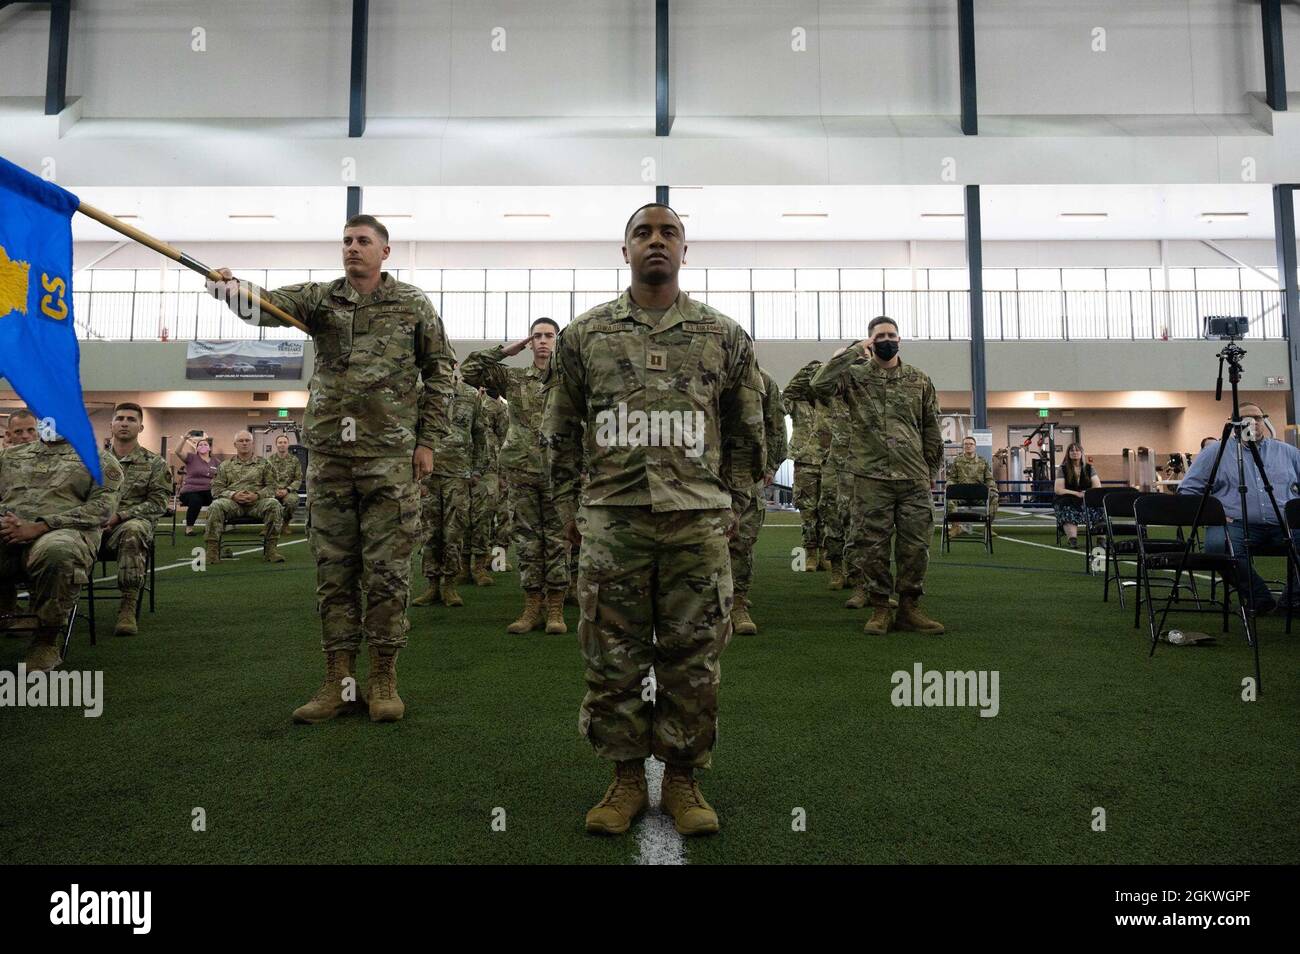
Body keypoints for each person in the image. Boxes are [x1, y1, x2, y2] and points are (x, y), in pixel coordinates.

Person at [542, 202, 765, 837]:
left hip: (697, 520)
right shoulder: (585, 336)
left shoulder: (723, 335)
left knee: (693, 656)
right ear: (626, 251)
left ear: (684, 251)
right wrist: (568, 511)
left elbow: (750, 435)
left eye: (669, 233)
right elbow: (558, 433)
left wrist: (737, 511)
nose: (656, 242)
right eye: (643, 233)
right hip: (613, 519)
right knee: (612, 655)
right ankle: (624, 778)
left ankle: (685, 777)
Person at [207, 213, 456, 724]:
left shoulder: (412, 305)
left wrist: (428, 441)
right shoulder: (321, 298)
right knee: (334, 571)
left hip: (390, 457)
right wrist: (230, 289)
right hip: (329, 457)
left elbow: (442, 373)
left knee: (387, 572)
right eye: (346, 241)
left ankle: (384, 675)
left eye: (363, 241)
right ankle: (339, 681)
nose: (352, 248)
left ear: (385, 252)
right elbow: (265, 308)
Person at [811, 316, 944, 636]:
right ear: (870, 341)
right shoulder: (854, 377)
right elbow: (818, 385)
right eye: (880, 335)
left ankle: (910, 607)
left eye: (892, 334)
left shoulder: (919, 379)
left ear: (900, 339)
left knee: (915, 546)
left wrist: (931, 470)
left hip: (912, 476)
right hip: (870, 476)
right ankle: (882, 607)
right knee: (872, 546)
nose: (887, 339)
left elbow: (931, 428)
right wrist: (853, 352)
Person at [462, 318, 569, 635]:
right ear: (529, 341)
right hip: (521, 471)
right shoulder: (515, 378)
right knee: (527, 541)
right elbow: (469, 372)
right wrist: (505, 351)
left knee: (557, 541)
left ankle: (556, 609)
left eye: (549, 336)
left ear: (557, 341)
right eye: (537, 336)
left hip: (558, 471)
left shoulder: (570, 380)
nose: (543, 341)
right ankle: (531, 606)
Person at [0, 431, 122, 671]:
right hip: (10, 528)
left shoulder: (100, 460)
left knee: (57, 552)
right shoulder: (8, 457)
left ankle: (46, 640)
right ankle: (6, 608)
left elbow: (102, 509)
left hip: (65, 532)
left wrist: (40, 525)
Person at [1179, 403, 1300, 613]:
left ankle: (1291, 600)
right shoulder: (1215, 453)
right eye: (1245, 419)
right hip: (1235, 523)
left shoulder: (1288, 452)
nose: (1252, 423)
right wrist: (1214, 515)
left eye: (1257, 418)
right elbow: (1188, 489)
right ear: (1233, 424)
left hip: (1284, 523)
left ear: (1265, 421)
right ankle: (1259, 596)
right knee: (1218, 547)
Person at [412, 365, 484, 609]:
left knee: (454, 531)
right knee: (430, 531)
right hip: (429, 474)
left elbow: (480, 434)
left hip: (459, 474)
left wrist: (477, 470)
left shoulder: (471, 395)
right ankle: (432, 584)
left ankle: (450, 585)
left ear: (456, 367)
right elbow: (414, 430)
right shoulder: (424, 393)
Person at [102, 402, 172, 636]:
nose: (124, 423)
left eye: (131, 419)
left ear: (141, 427)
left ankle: (128, 605)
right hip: (93, 525)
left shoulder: (155, 463)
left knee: (134, 530)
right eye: (120, 418)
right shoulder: (91, 461)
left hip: (127, 526)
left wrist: (120, 516)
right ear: (110, 425)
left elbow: (159, 503)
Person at [728, 364, 787, 635]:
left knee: (741, 541)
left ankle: (737, 603)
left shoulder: (763, 381)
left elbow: (776, 426)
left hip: (746, 473)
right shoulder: (706, 372)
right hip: (703, 473)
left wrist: (771, 465)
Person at [205, 431, 284, 563]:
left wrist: (257, 495)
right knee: (215, 506)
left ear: (252, 444)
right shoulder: (225, 465)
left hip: (257, 503)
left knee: (274, 504)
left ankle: (271, 551)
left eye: (247, 440)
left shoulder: (264, 464)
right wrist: (233, 495)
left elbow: (272, 487)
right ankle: (212, 552)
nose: (244, 443)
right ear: (235, 444)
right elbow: (216, 488)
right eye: (241, 441)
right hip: (232, 504)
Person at [783, 361, 830, 572]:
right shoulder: (796, 401)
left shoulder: (831, 400)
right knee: (808, 510)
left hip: (830, 461)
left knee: (829, 510)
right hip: (804, 461)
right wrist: (806, 371)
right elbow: (781, 401)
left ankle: (828, 554)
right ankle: (810, 553)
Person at [465, 387, 507, 587]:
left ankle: (480, 566)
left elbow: (504, 436)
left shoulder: (497, 404)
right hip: (462, 463)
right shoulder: (464, 395)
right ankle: (463, 567)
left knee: (484, 517)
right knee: (460, 516)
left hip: (489, 467)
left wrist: (502, 473)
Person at [946, 435, 999, 536]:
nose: (968, 446)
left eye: (971, 444)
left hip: (978, 495)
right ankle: (956, 527)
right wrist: (950, 485)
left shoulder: (982, 461)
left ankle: (988, 527)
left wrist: (992, 488)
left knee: (994, 497)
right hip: (961, 495)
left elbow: (989, 479)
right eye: (966, 444)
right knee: (948, 498)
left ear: (975, 446)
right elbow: (952, 478)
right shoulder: (957, 461)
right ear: (963, 446)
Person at [1053, 442, 1101, 548]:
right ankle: (1072, 539)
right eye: (1072, 450)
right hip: (1067, 498)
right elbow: (1058, 489)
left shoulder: (1089, 468)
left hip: (1086, 497)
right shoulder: (1062, 469)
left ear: (1081, 453)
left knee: (1100, 507)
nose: (1074, 452)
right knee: (1067, 508)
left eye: (1077, 450)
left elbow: (1097, 487)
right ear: (1068, 454)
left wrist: (1086, 494)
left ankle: (1101, 540)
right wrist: (1077, 493)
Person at [174, 433, 219, 535]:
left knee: (218, 501)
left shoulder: (216, 462)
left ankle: (210, 528)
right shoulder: (191, 458)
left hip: (208, 491)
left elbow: (221, 476)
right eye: (200, 445)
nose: (203, 446)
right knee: (196, 500)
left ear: (210, 448)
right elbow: (177, 451)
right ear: (197, 448)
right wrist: (184, 438)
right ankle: (189, 529)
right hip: (190, 491)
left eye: (205, 445)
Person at [266, 434, 303, 535]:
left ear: (288, 445)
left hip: (289, 491)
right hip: (273, 490)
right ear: (276, 445)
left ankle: (285, 524)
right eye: (280, 442)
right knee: (265, 501)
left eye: (284, 442)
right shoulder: (269, 461)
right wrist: (274, 490)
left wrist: (287, 490)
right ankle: (268, 526)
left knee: (291, 501)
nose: (282, 444)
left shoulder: (295, 461)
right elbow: (267, 478)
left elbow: (298, 479)